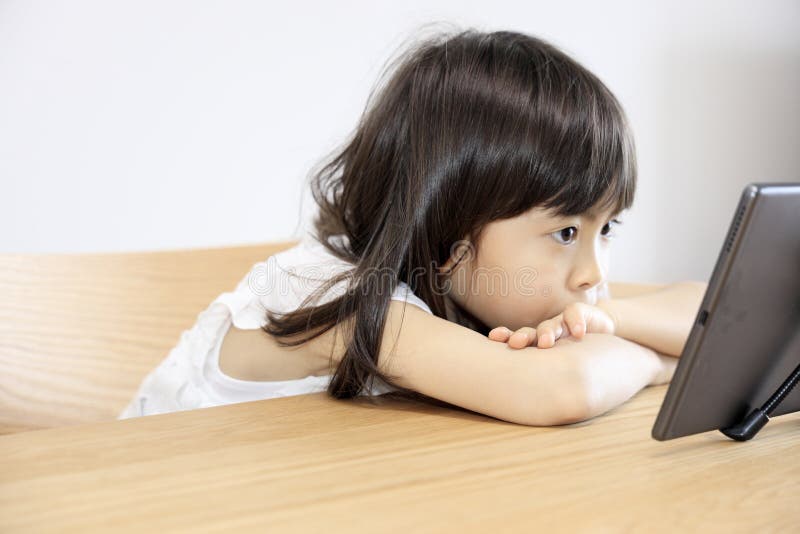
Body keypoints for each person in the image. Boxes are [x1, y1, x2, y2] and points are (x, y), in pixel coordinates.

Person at [119, 27, 702, 425]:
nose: (593, 272)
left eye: (608, 229)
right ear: (449, 232)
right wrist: (664, 364)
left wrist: (611, 319)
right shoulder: (342, 301)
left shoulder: (524, 285)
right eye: (567, 232)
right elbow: (560, 389)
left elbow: (714, 307)